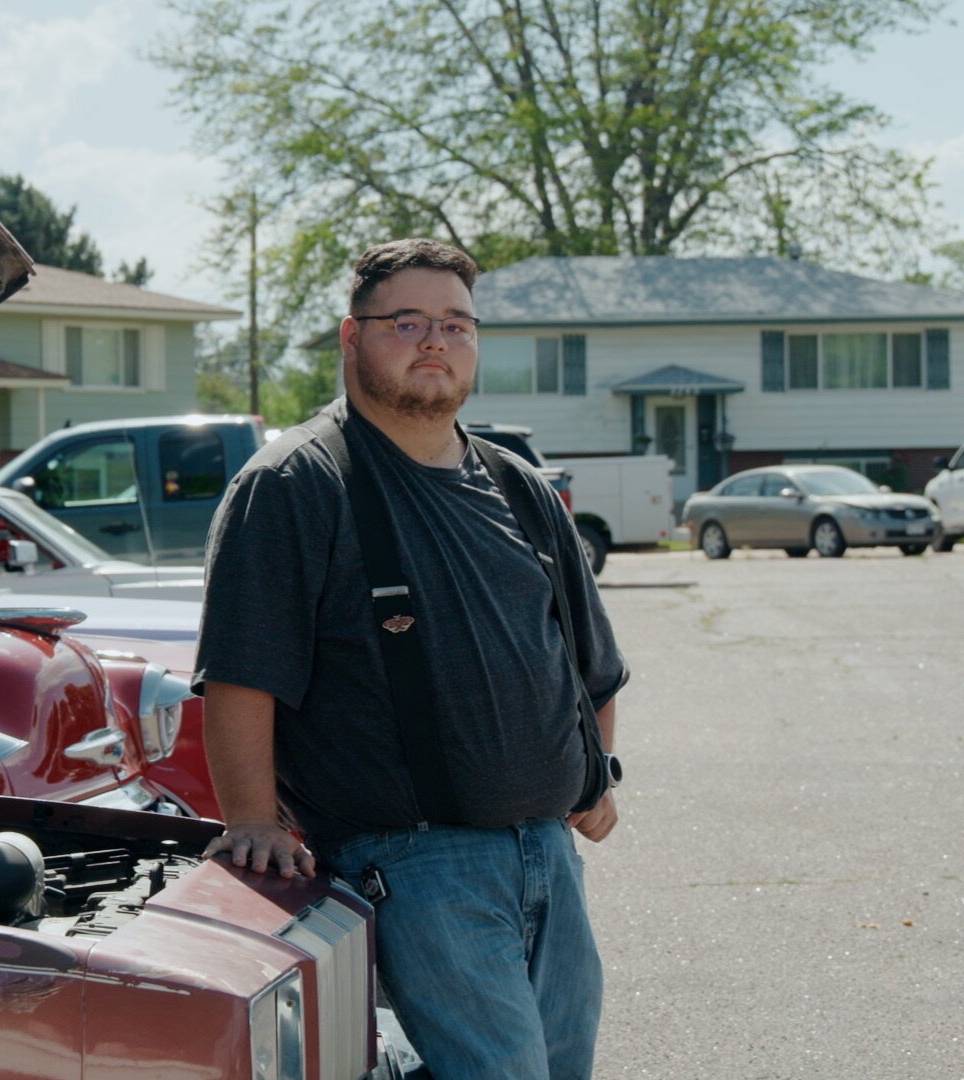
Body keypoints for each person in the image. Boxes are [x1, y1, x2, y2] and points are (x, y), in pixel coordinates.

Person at [191, 237, 627, 1079]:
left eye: (458, 324)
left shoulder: (518, 487)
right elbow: (244, 676)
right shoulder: (295, 484)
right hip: (416, 864)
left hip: (550, 855)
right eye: (408, 321)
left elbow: (586, 661)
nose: (437, 340)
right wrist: (251, 820)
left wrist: (598, 774)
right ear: (351, 338)